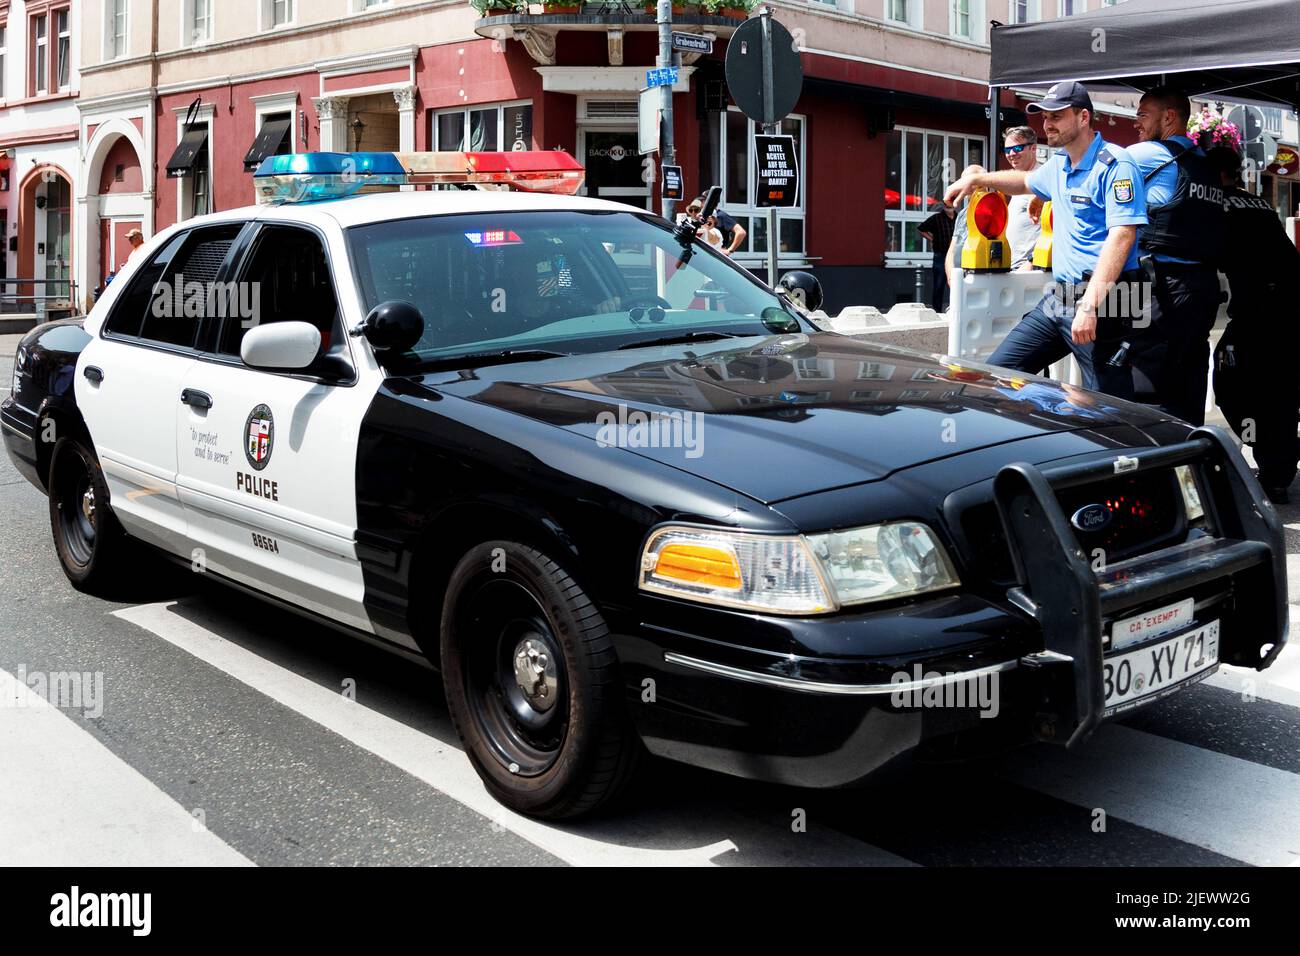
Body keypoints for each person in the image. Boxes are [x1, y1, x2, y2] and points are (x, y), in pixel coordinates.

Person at [944, 81, 1149, 398]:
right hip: (1063, 297)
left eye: (1056, 116)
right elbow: (1024, 181)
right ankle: (1058, 428)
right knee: (997, 377)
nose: (1047, 123)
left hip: (1111, 299)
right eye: (1044, 116)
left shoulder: (1117, 164)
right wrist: (977, 179)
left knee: (1111, 406)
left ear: (1083, 117)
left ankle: (1111, 440)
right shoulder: (1060, 165)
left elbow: (1122, 235)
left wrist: (1090, 305)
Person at [1125, 87, 1226, 426]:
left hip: (1159, 288)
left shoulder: (1148, 154)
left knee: (1146, 388)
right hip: (1201, 289)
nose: (1136, 123)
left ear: (1168, 117)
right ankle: (1190, 466)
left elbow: (1092, 171)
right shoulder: (1205, 165)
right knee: (1189, 385)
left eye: (1142, 115)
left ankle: (1150, 470)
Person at [1208, 145, 1300, 503]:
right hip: (1286, 305)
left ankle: (1270, 453)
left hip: (1260, 310)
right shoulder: (1258, 202)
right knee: (1279, 389)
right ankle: (1277, 470)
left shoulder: (1217, 204)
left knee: (1229, 381)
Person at [1001, 126, 1042, 271]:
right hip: (1014, 267)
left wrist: (1031, 263)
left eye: (1017, 148)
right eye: (1007, 150)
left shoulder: (1041, 180)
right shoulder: (1022, 180)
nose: (1011, 154)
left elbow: (1059, 230)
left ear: (1033, 148)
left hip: (1031, 269)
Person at [945, 164, 986, 292]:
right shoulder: (963, 213)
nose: (965, 187)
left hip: (980, 282)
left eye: (970, 182)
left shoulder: (993, 208)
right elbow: (951, 251)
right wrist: (953, 280)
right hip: (959, 282)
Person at [919, 202, 956, 311]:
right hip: (941, 254)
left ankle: (954, 308)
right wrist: (932, 239)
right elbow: (921, 229)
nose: (948, 208)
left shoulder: (959, 219)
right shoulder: (937, 218)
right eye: (946, 206)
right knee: (939, 285)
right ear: (944, 207)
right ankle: (937, 311)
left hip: (955, 255)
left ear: (954, 206)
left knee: (955, 283)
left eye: (950, 206)